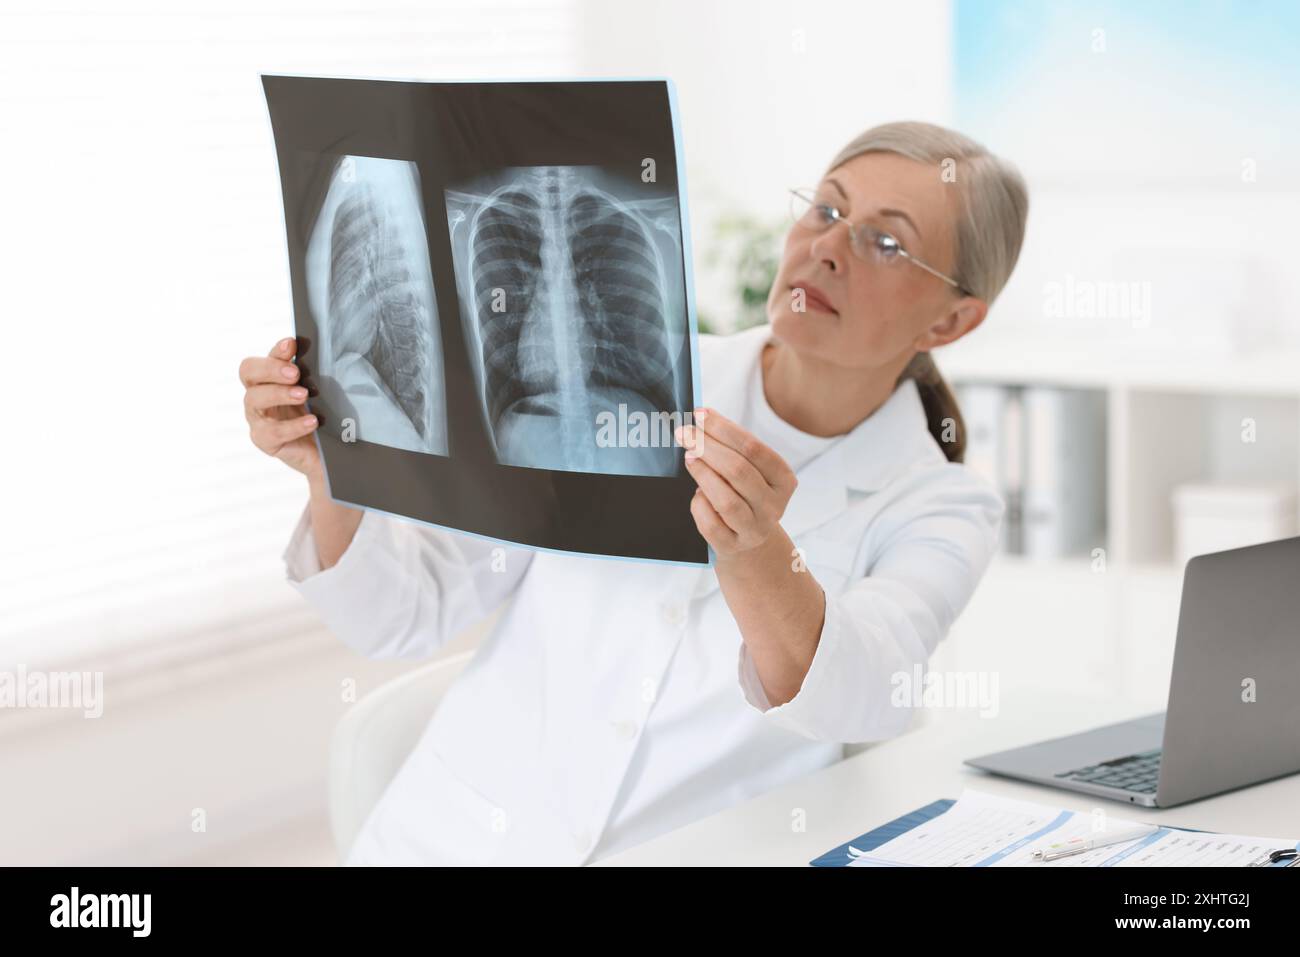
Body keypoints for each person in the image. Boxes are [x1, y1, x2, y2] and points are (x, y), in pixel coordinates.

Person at [238, 120, 1029, 865]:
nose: (826, 248)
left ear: (951, 322)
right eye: (826, 208)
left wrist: (757, 552)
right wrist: (331, 473)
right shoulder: (633, 377)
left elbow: (864, 693)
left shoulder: (941, 504)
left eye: (885, 242)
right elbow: (403, 611)